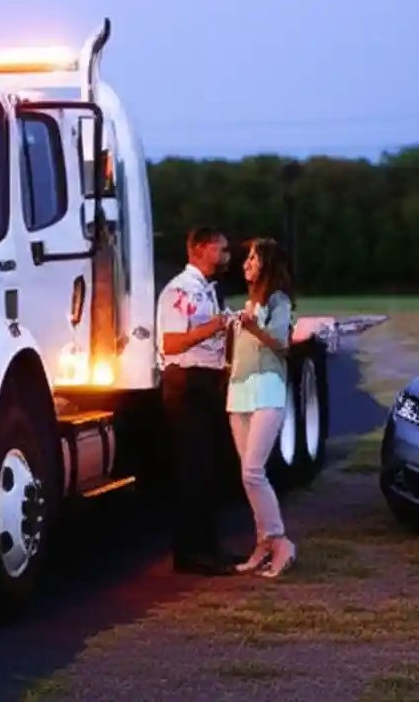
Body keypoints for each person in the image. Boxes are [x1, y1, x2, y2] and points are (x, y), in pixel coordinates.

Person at [156, 226, 240, 576]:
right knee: (193, 469)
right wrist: (216, 326)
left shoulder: (206, 290)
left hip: (206, 382)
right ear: (199, 249)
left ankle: (208, 546)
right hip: (187, 384)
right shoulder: (180, 290)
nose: (226, 257)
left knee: (209, 468)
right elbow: (172, 343)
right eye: (220, 250)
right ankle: (191, 552)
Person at [227, 237, 297, 578]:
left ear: (266, 264)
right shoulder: (248, 304)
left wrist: (254, 328)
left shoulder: (278, 301)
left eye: (252, 259)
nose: (246, 265)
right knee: (248, 475)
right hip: (239, 392)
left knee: (253, 470)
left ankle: (280, 541)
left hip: (267, 388)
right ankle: (263, 542)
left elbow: (282, 344)